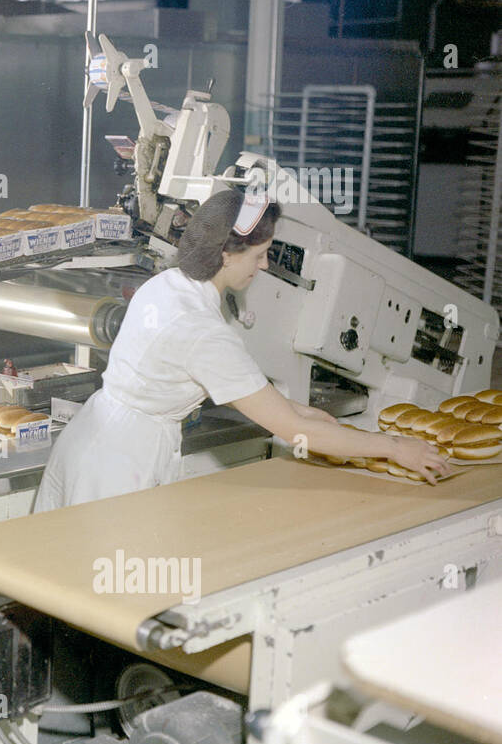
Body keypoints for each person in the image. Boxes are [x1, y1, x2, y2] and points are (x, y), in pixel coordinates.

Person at [35, 187, 448, 511]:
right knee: (105, 597)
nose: (265, 266)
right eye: (261, 254)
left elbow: (244, 395)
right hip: (121, 463)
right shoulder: (205, 332)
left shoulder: (168, 284)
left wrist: (300, 413)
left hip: (92, 437)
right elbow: (293, 432)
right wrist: (396, 447)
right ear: (226, 254)